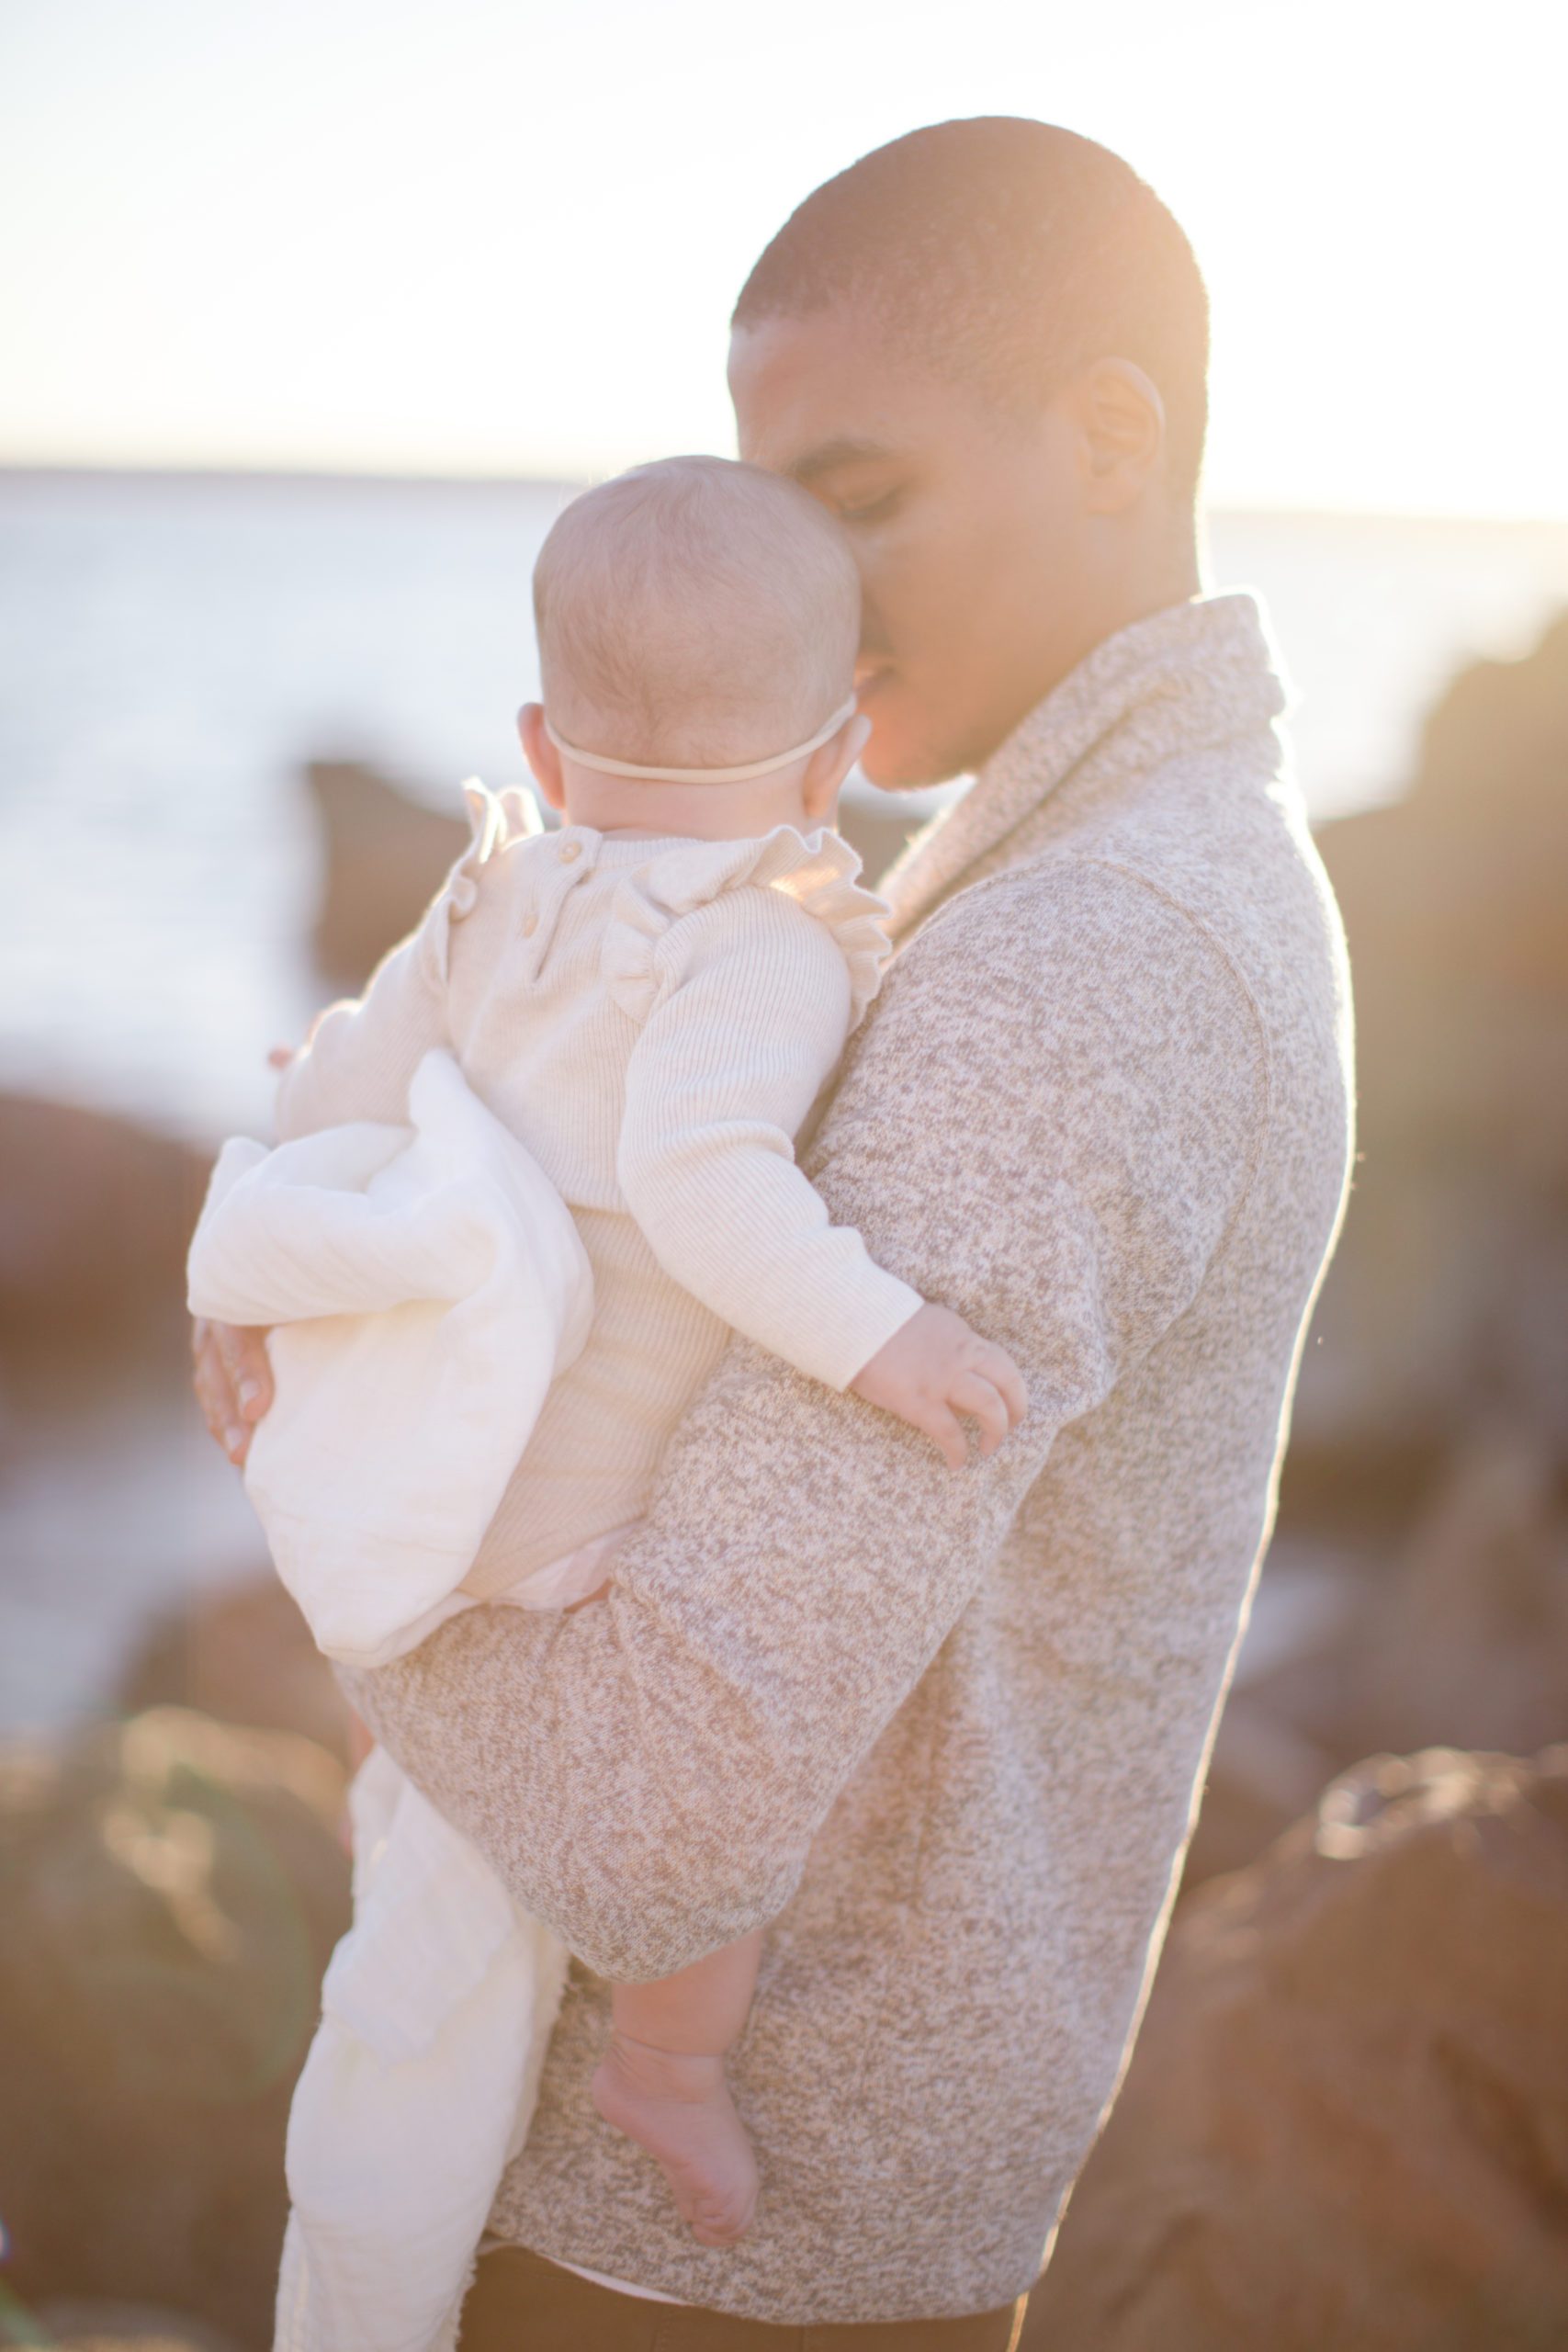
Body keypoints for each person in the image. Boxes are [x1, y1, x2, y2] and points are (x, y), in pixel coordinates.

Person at [195, 118, 1353, 2347]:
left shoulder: (1084, 953)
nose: (778, 563)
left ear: (1108, 435)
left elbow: (648, 1812)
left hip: (709, 2238)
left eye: (854, 490)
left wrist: (340, 1481)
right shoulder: (1038, 857)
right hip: (758, 2208)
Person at [189, 455, 1026, 2333]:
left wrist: (264, 1205)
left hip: (417, 1452)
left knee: (433, 1803)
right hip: (562, 1501)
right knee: (723, 1783)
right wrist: (887, 1335)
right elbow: (709, 1186)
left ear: (540, 747)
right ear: (832, 765)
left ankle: (404, 1774)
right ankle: (665, 2049)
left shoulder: (491, 887)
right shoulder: (762, 944)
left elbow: (345, 1085)